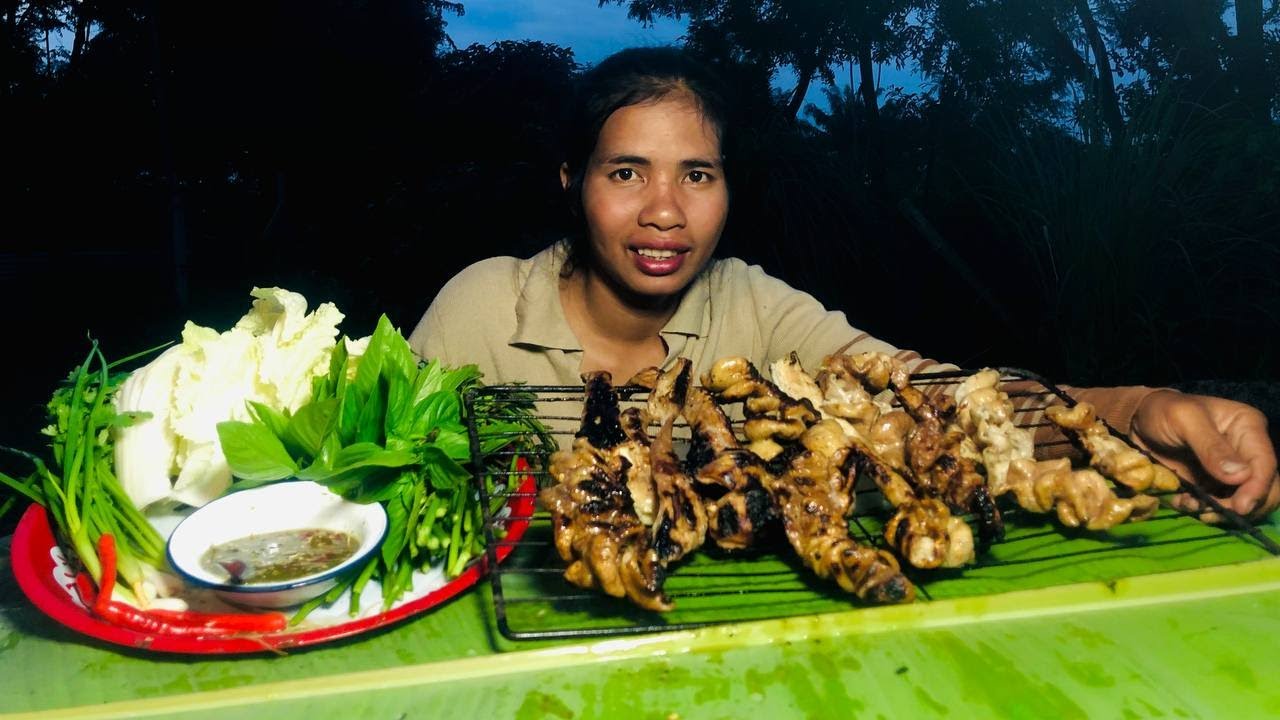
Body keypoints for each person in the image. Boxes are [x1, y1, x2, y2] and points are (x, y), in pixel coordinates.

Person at [409, 46, 1279, 521]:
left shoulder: (755, 306)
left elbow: (935, 394)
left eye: (699, 176)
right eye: (627, 173)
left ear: (729, 191)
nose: (665, 212)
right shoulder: (482, 308)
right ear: (572, 182)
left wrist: (1132, 413)